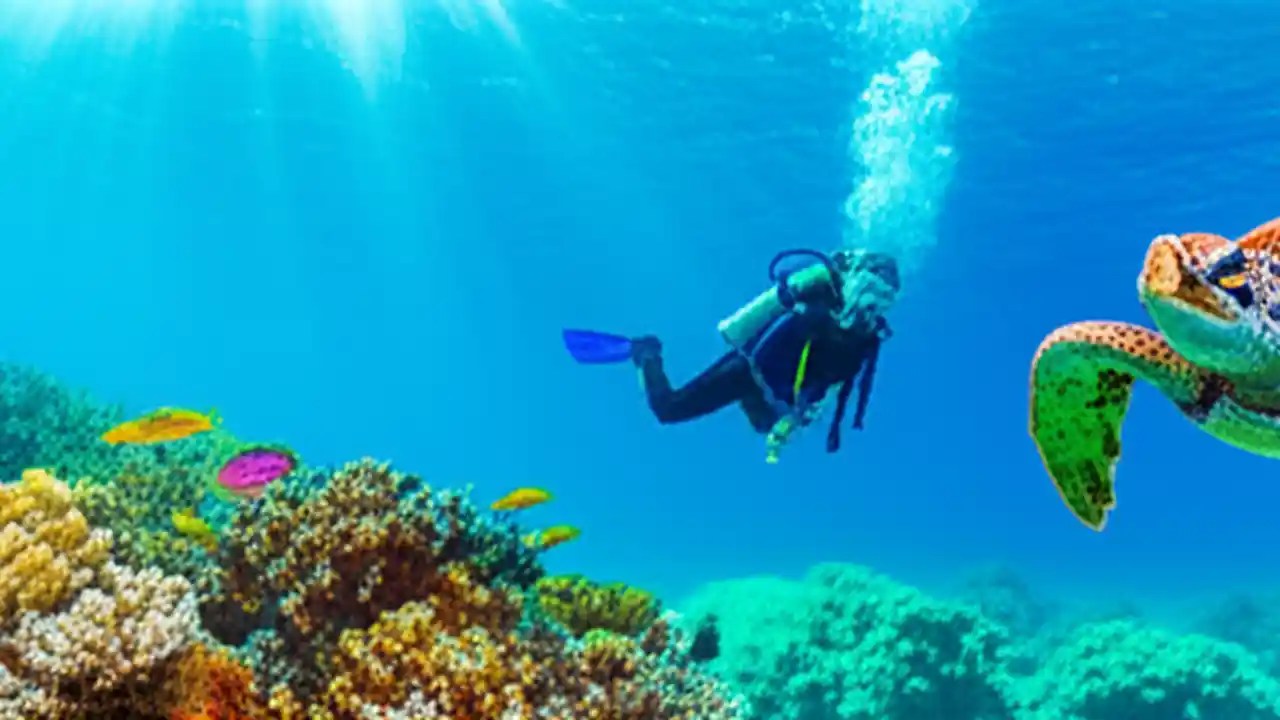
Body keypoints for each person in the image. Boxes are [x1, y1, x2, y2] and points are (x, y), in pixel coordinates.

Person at [563, 248, 899, 462]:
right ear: (856, 278)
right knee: (668, 410)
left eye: (884, 296)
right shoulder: (820, 298)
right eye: (873, 287)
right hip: (746, 370)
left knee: (761, 427)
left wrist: (793, 423)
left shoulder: (865, 340)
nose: (873, 301)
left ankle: (762, 414)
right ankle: (646, 351)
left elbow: (835, 388)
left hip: (775, 398)